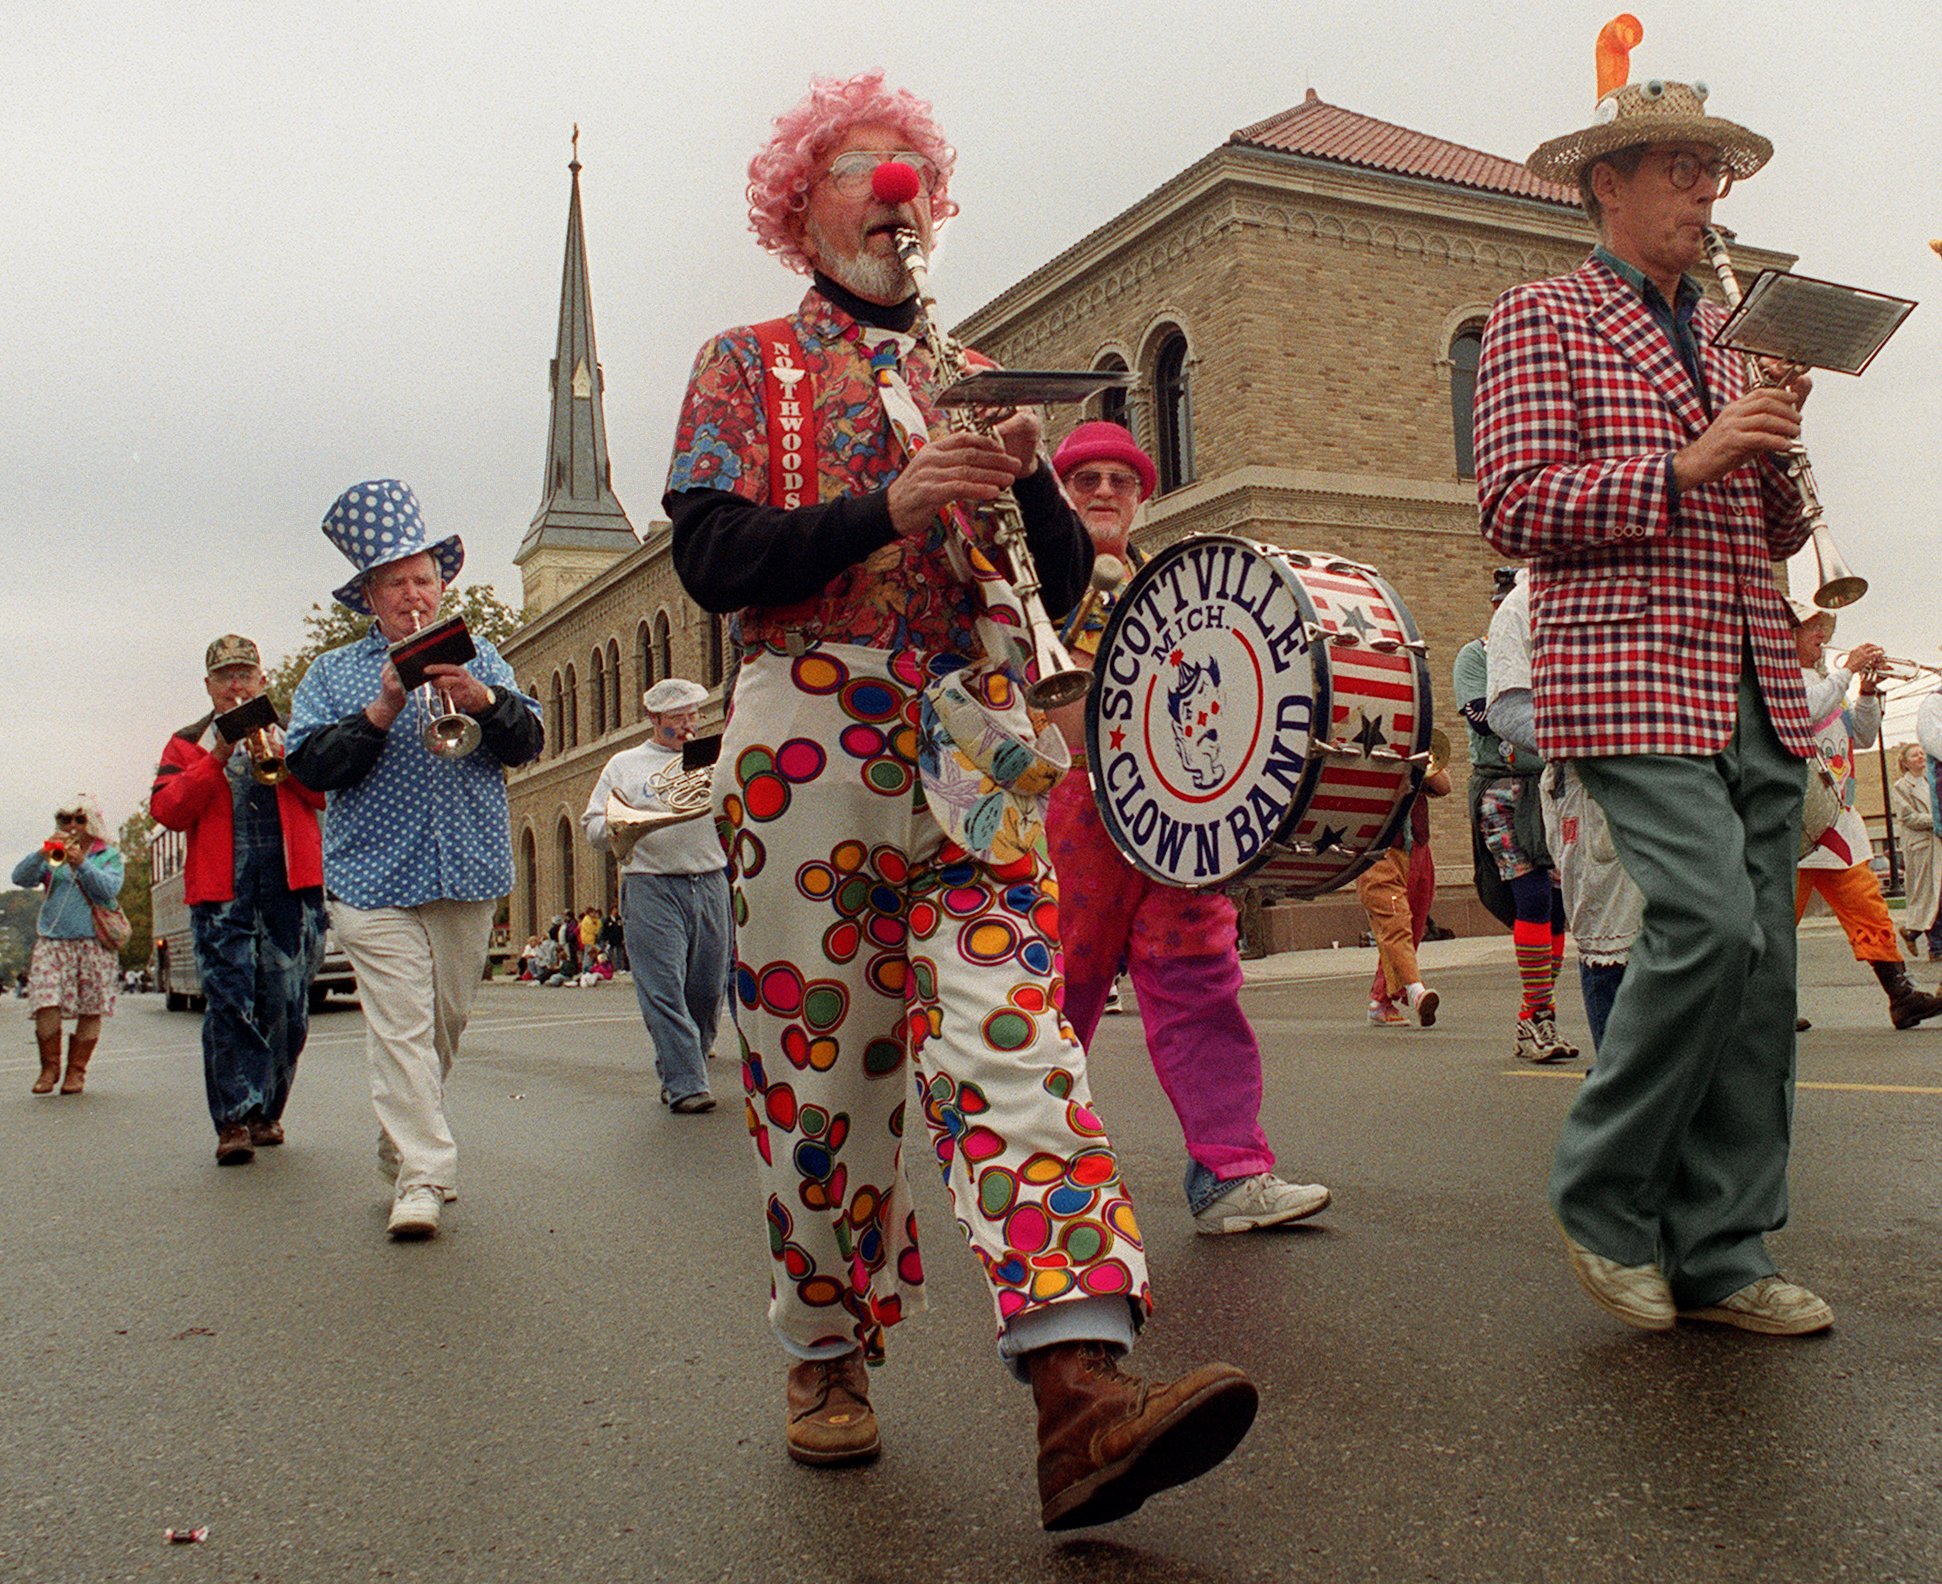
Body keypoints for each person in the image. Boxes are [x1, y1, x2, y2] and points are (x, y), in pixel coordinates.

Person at [665, 72, 1255, 1529]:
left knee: (1018, 1048)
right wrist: (889, 503)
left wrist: (1025, 482)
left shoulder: (975, 368)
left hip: (975, 739)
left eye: (910, 172)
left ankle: (1079, 1396)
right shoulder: (743, 364)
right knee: (825, 1081)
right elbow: (713, 557)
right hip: (807, 728)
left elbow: (1053, 587)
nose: (892, 194)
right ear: (795, 204)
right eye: (859, 170)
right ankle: (824, 1350)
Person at [1477, 64, 1833, 1336]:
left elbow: (1769, 524)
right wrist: (1686, 460)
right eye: (1678, 167)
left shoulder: (1735, 337)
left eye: (1712, 168)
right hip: (1627, 673)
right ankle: (1603, 1191)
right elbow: (1513, 503)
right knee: (1708, 927)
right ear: (1605, 184)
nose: (1704, 188)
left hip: (1749, 675)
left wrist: (1777, 448)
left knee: (1763, 962)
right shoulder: (1539, 316)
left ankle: (1725, 1250)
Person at [1042, 421, 1334, 1227]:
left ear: (1145, 497)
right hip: (1069, 808)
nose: (1103, 492)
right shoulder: (1027, 581)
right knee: (1062, 991)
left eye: (1120, 480)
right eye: (1085, 479)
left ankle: (1230, 1175)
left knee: (1201, 982)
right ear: (1060, 492)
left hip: (1175, 813)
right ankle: (1033, 1174)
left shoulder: (1174, 587)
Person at [287, 480, 542, 1240]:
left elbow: (527, 747)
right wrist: (384, 706)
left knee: (443, 1026)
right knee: (400, 1025)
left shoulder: (484, 652)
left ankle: (402, 1142)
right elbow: (310, 768)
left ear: (443, 585)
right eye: (396, 583)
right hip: (372, 880)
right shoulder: (331, 675)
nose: (413, 595)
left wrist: (485, 700)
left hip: (467, 866)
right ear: (369, 596)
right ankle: (425, 1178)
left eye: (424, 579)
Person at [149, 634, 328, 1164]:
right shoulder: (186, 743)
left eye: (244, 674)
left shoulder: (296, 728)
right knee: (229, 1004)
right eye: (225, 676)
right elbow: (169, 811)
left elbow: (324, 794)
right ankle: (233, 1121)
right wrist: (218, 754)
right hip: (222, 893)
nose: (235, 685)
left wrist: (283, 754)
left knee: (287, 1005)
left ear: (262, 680)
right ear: (208, 686)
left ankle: (268, 1111)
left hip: (290, 887)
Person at [1487, 577, 1643, 1053]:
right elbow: (1507, 710)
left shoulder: (1628, 580)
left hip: (1663, 780)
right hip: (1586, 789)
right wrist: (1602, 739)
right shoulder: (1522, 605)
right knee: (1602, 940)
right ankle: (1619, 1089)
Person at [581, 676, 733, 1113]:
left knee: (706, 990)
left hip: (709, 879)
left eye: (693, 715)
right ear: (654, 718)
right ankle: (687, 1084)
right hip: (650, 882)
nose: (689, 725)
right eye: (677, 717)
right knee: (662, 988)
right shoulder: (624, 764)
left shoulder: (713, 756)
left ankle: (684, 1062)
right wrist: (638, 820)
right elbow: (593, 825)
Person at [1790, 608, 1942, 1029]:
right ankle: (1762, 1007)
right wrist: (1848, 672)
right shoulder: (1784, 681)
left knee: (1870, 910)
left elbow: (1861, 735)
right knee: (1776, 923)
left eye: (1823, 629)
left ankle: (1902, 996)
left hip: (1836, 819)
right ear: (1789, 638)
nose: (1822, 636)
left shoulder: (1827, 683)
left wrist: (1868, 693)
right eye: (1812, 630)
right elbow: (1803, 713)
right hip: (1798, 823)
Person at [1453, 571, 1575, 1061]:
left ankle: (1535, 1015)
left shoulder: (1546, 656)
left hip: (1546, 785)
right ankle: (1538, 1016)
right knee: (1530, 899)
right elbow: (1483, 712)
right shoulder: (1476, 655)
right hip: (1502, 789)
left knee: (1559, 908)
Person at [14, 796, 122, 1095]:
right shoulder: (53, 854)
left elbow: (108, 889)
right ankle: (49, 1067)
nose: (71, 825)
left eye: (79, 819)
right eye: (65, 819)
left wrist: (82, 864)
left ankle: (77, 1072)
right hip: (53, 940)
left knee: (91, 1007)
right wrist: (41, 853)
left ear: (92, 822)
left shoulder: (107, 855)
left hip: (93, 942)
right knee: (45, 1001)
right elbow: (20, 878)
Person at [1890, 743, 1942, 961]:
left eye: (1922, 753)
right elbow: (1908, 817)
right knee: (1932, 894)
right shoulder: (1902, 787)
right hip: (1922, 846)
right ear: (1905, 762)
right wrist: (1937, 821)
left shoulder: (1933, 781)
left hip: (1938, 842)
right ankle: (1936, 948)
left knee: (1938, 894)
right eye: (1914, 754)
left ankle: (1913, 932)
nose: (1920, 756)